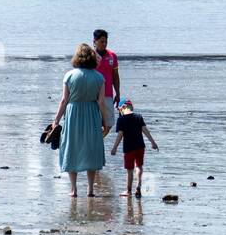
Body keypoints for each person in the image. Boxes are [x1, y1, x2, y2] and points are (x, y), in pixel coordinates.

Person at [51, 43, 111, 197]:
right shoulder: (99, 77)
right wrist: (105, 121)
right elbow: (101, 102)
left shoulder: (69, 75)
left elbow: (64, 100)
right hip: (91, 114)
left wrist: (56, 120)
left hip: (73, 113)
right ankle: (90, 189)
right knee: (91, 149)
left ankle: (73, 189)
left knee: (72, 148)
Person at [110, 100, 158, 197]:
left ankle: (128, 191)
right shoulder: (138, 117)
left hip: (129, 148)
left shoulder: (121, 120)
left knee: (129, 170)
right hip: (140, 146)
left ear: (123, 107)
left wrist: (114, 147)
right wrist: (153, 142)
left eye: (120, 110)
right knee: (139, 166)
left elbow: (120, 135)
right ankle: (139, 185)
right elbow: (145, 130)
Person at [92, 29, 121, 131]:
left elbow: (115, 77)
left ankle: (96, 142)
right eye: (102, 41)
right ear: (94, 41)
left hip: (108, 94)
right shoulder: (90, 56)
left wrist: (117, 93)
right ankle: (94, 143)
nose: (104, 44)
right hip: (92, 95)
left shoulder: (112, 56)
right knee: (94, 123)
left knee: (108, 124)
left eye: (106, 42)